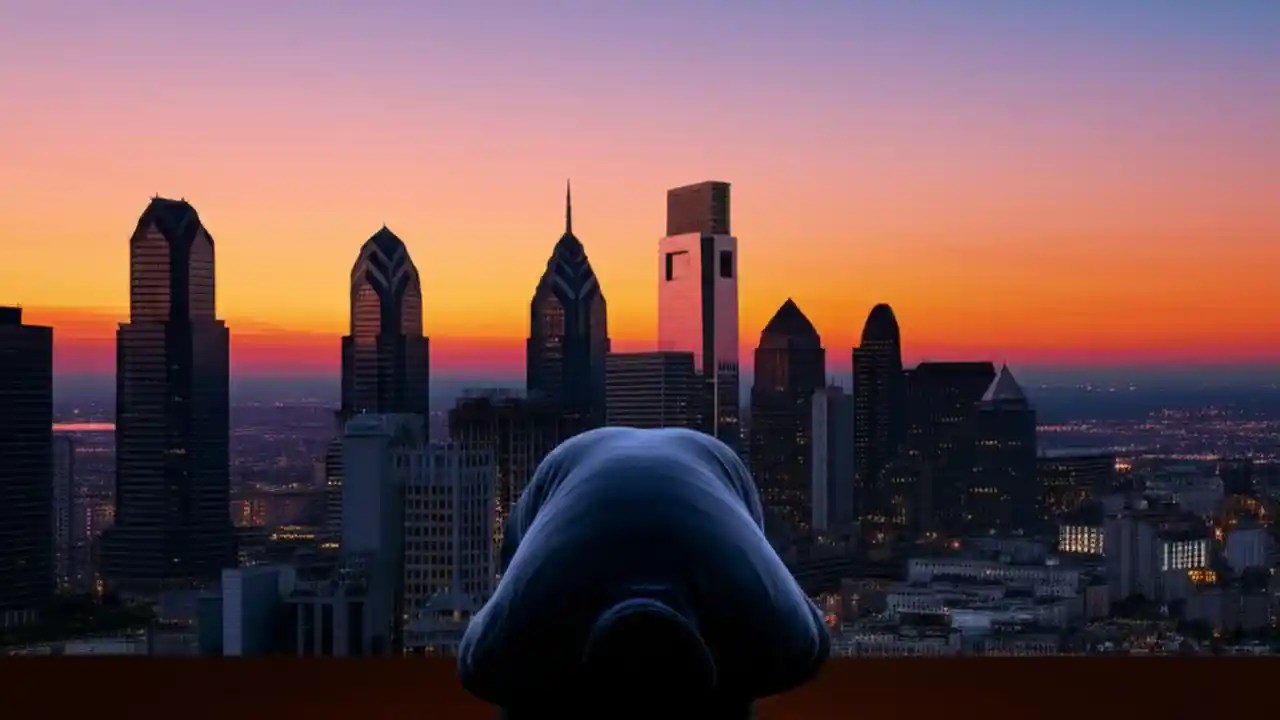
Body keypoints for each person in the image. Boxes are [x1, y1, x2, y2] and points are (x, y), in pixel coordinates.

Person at [458, 427, 830, 719]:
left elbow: (478, 658)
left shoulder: (780, 634)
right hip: (577, 467)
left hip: (706, 464)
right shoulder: (774, 631)